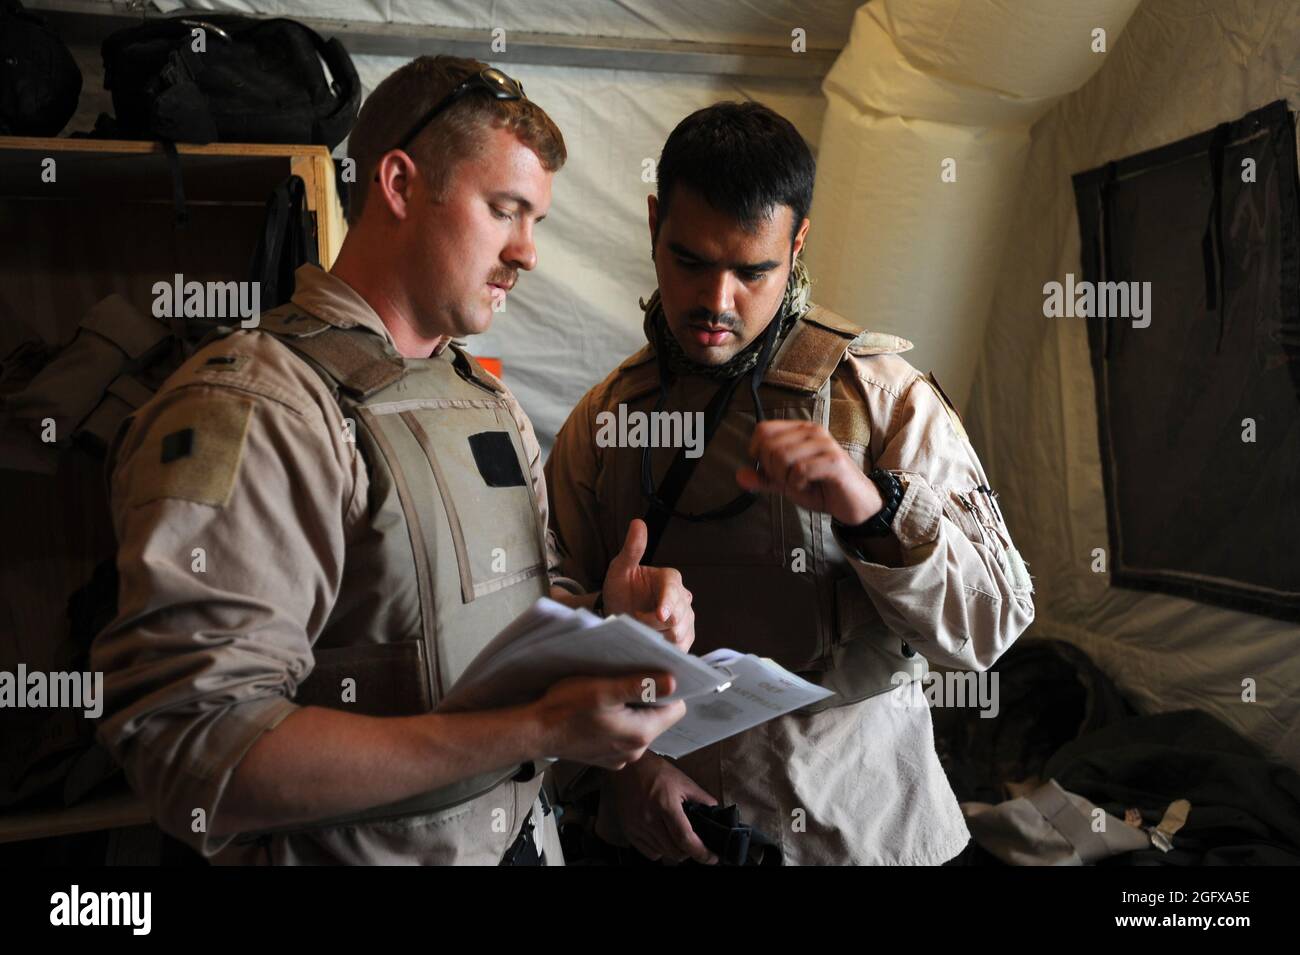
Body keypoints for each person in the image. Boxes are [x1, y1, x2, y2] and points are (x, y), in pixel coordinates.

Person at [90, 55, 694, 866]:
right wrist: (538, 729)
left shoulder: (483, 400)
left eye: (536, 223)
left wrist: (599, 622)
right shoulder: (262, 407)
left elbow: (473, 604)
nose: (527, 254)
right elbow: (197, 752)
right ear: (401, 185)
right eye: (504, 211)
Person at [544, 101, 1037, 865]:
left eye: (752, 270)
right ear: (652, 225)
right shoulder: (608, 419)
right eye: (691, 261)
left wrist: (877, 512)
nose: (717, 301)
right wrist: (627, 772)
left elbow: (991, 627)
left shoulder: (881, 399)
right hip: (666, 835)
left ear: (797, 242)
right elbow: (537, 632)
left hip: (858, 831)